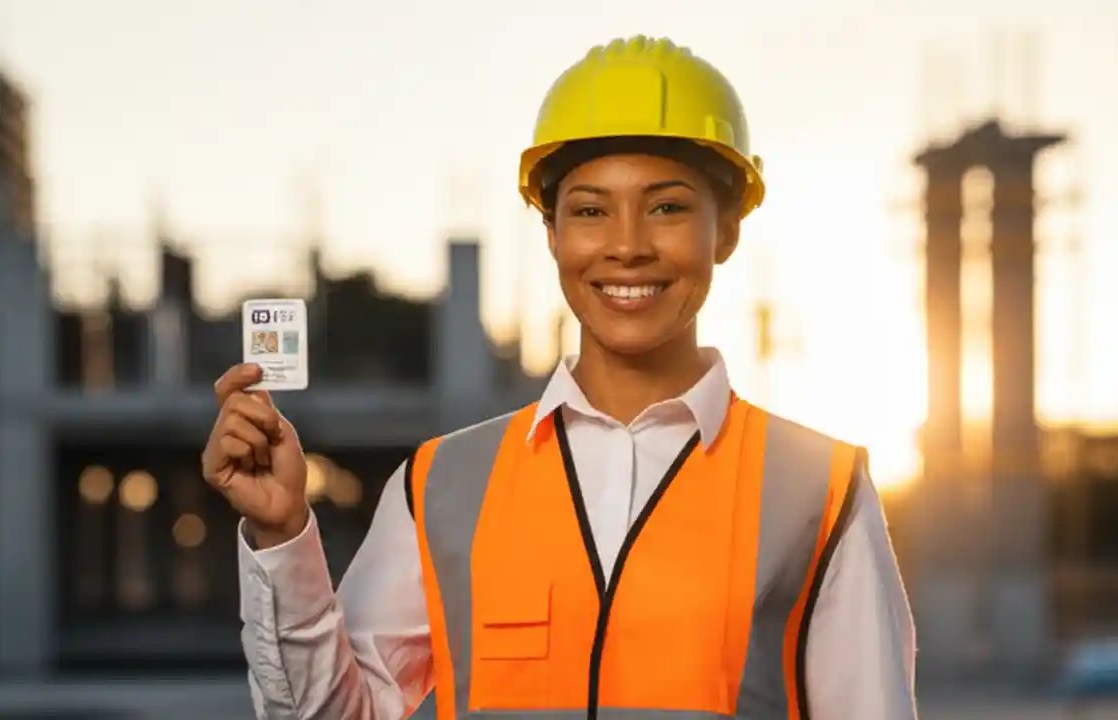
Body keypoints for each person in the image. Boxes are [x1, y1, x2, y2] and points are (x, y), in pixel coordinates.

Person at [203, 35, 917, 720]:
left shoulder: (821, 490)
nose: (628, 246)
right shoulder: (441, 487)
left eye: (667, 207)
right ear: (552, 234)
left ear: (726, 229)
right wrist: (282, 533)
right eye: (590, 211)